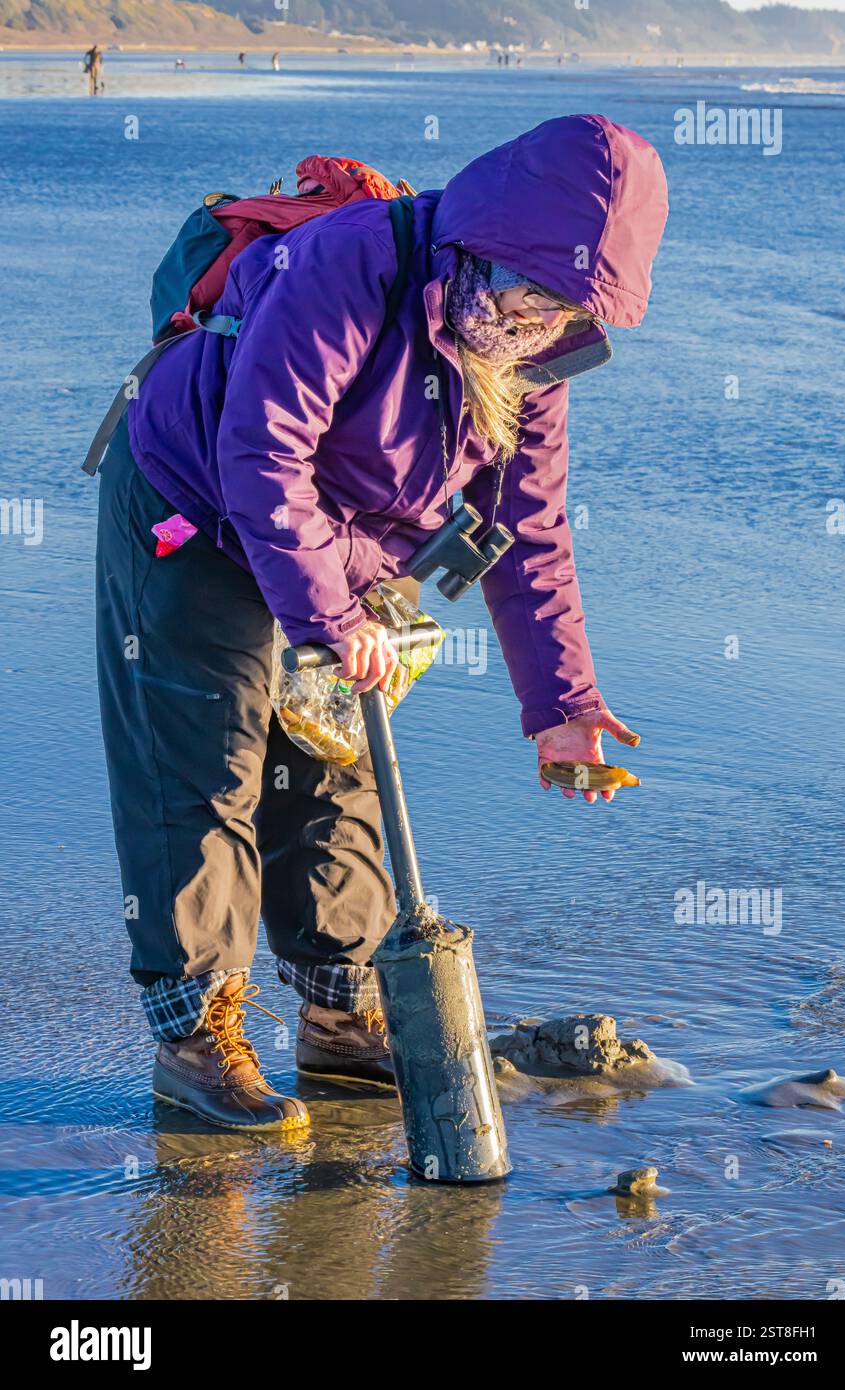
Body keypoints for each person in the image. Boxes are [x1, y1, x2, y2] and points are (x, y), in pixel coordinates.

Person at [94, 115, 668, 1131]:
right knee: (208, 763)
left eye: (564, 309)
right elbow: (261, 457)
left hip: (358, 539)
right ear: (483, 241)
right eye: (528, 291)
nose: (535, 320)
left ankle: (339, 1018)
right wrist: (323, 618)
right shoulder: (350, 264)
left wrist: (562, 703)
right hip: (200, 503)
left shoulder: (533, 348)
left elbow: (524, 524)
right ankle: (196, 1036)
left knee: (335, 764)